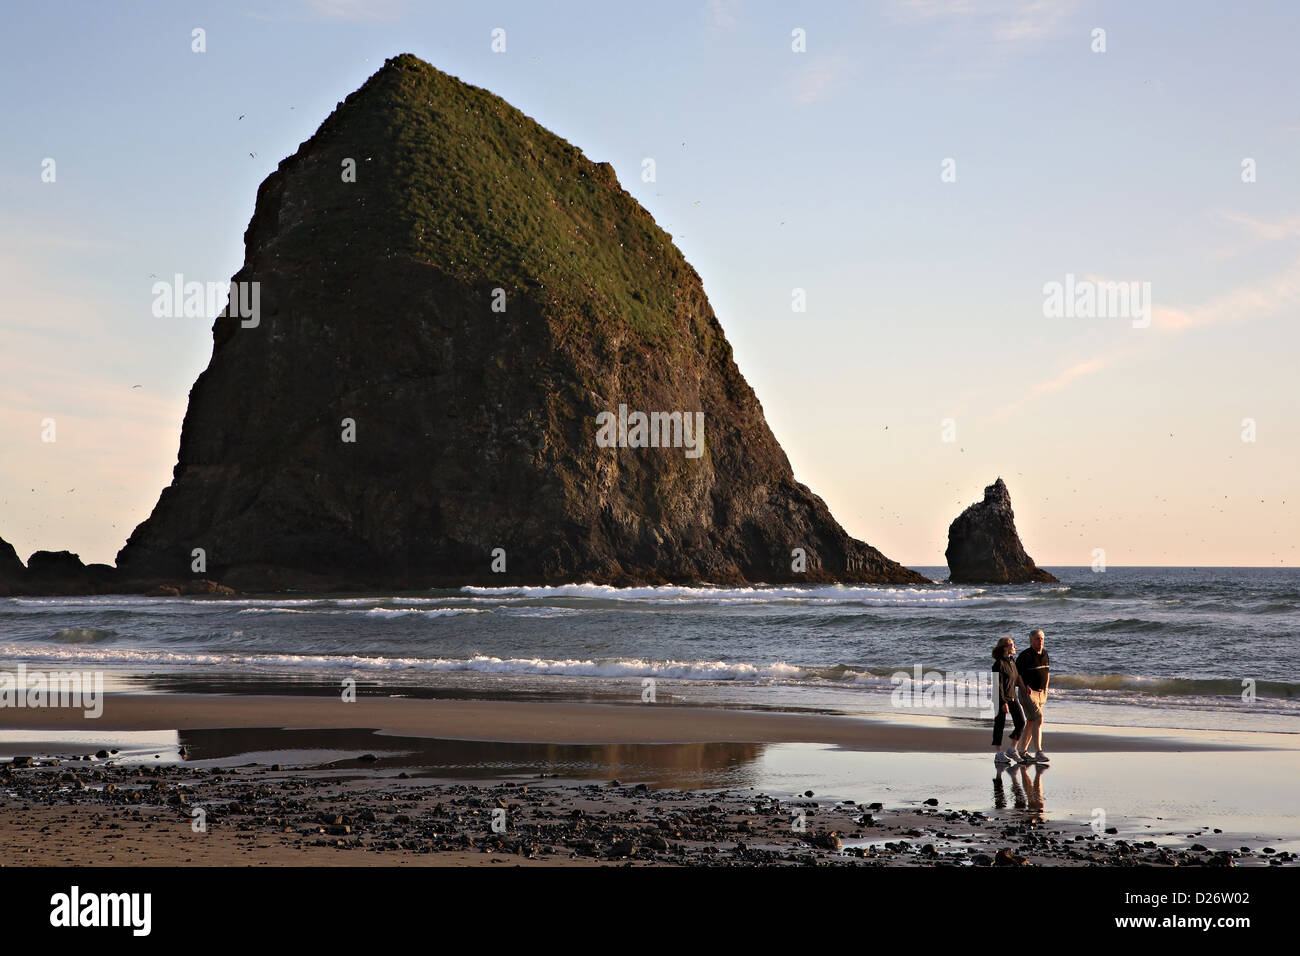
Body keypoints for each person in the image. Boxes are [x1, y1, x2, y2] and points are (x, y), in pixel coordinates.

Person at [991, 636, 1031, 764]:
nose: (1014, 647)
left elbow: (1017, 677)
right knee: (999, 725)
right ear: (1005, 647)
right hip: (1000, 698)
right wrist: (1003, 703)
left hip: (1013, 697)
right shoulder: (998, 664)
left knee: (1021, 722)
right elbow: (997, 685)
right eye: (1012, 645)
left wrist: (1024, 688)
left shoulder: (1012, 661)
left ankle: (1012, 749)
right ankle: (998, 753)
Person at [1016, 628, 1051, 763]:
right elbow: (1018, 675)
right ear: (1031, 641)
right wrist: (1024, 688)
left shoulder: (1045, 654)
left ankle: (1022, 750)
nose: (1040, 640)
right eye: (1037, 638)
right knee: (1039, 718)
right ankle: (1039, 751)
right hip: (1028, 693)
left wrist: (1046, 689)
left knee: (1031, 721)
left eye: (1042, 638)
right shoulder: (1025, 656)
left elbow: (1047, 672)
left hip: (1041, 693)